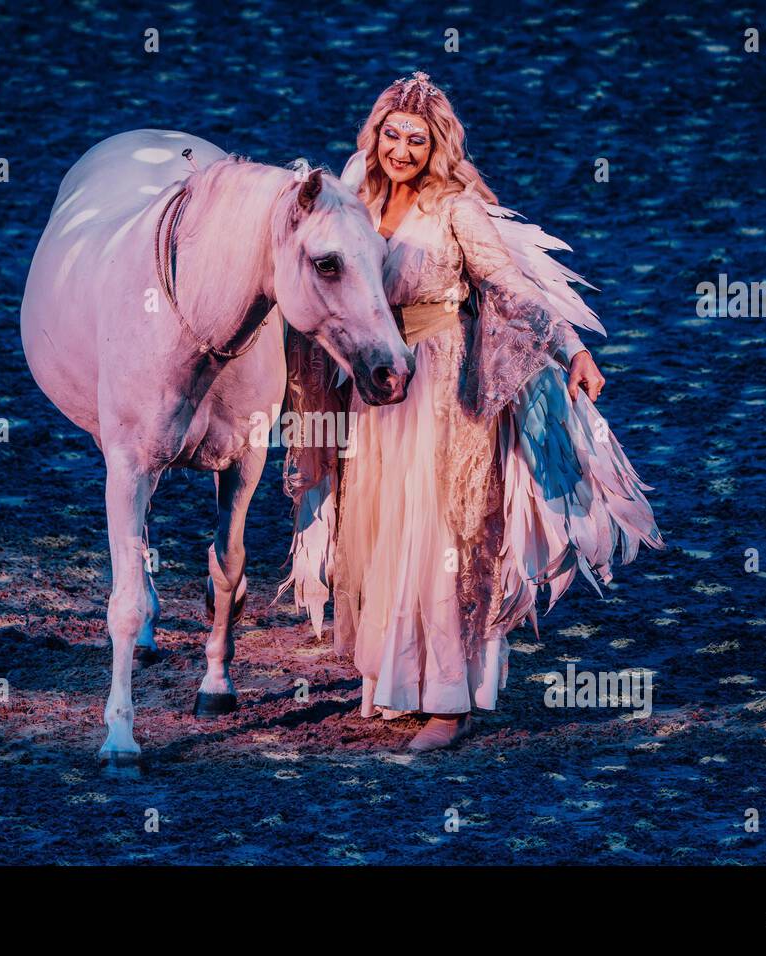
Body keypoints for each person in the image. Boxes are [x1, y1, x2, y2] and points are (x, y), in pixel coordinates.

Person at [279, 72, 662, 752]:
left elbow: (508, 287)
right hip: (383, 387)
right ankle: (398, 681)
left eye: (416, 141)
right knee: (388, 528)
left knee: (444, 536)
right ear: (375, 136)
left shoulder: (454, 208)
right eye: (392, 136)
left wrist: (573, 349)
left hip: (446, 386)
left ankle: (450, 703)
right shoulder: (357, 201)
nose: (401, 150)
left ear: (436, 147)